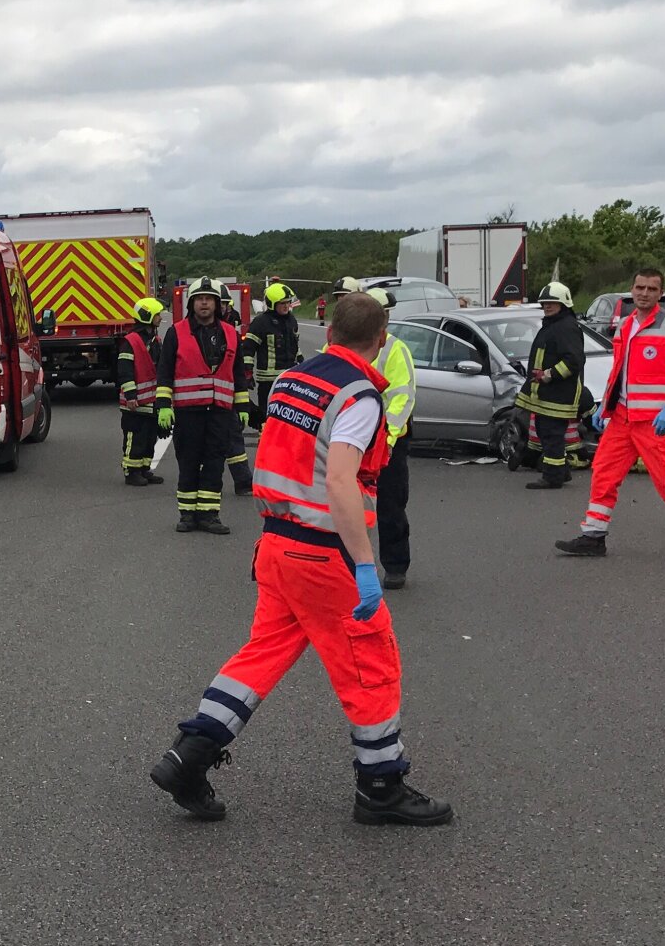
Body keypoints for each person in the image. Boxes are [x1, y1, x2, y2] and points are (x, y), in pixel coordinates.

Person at [148, 291, 452, 826]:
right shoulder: (358, 397)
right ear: (380, 341)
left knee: (260, 656)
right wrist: (364, 565)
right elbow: (339, 478)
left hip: (277, 544)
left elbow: (281, 454)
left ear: (329, 333)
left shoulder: (292, 381)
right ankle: (381, 785)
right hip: (322, 553)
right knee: (372, 664)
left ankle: (187, 756)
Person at [556, 268, 665, 562]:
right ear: (632, 290)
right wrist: (605, 406)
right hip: (622, 418)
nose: (644, 293)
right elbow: (619, 370)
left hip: (654, 422)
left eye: (651, 289)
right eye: (640, 287)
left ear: (661, 294)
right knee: (603, 474)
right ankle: (594, 536)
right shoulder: (625, 325)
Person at [155, 279, 252, 534]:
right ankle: (187, 515)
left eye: (209, 299)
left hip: (220, 411)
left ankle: (209, 515)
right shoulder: (176, 331)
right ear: (192, 303)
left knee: (214, 463)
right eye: (200, 299)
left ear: (218, 304)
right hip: (188, 412)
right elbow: (164, 372)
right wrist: (164, 405)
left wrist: (242, 407)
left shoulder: (230, 333)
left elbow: (238, 374)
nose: (205, 303)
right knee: (188, 461)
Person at [364, 286, 417, 588]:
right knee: (344, 503)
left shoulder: (395, 349)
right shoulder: (342, 346)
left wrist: (387, 439)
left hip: (386, 443)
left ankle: (395, 566)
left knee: (391, 506)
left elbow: (401, 399)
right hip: (353, 439)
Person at [517, 282, 585, 490]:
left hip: (558, 394)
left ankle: (552, 477)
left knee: (552, 435)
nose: (547, 306)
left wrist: (548, 375)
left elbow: (574, 361)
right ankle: (561, 471)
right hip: (548, 394)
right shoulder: (553, 325)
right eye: (545, 303)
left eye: (552, 303)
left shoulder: (566, 327)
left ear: (564, 304)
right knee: (546, 432)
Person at [116, 297, 167, 487]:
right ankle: (131, 471)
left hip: (151, 401)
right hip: (135, 403)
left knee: (149, 437)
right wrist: (131, 396)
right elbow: (125, 370)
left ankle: (145, 469)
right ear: (147, 316)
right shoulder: (131, 342)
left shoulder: (154, 339)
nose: (160, 318)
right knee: (134, 437)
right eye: (157, 315)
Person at [239, 281, 304, 416]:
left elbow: (295, 346)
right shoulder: (261, 322)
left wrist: (301, 362)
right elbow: (248, 350)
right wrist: (247, 372)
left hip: (289, 377)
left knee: (288, 414)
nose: (286, 306)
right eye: (282, 303)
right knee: (267, 415)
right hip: (268, 381)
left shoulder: (291, 320)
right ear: (272, 304)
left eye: (288, 302)